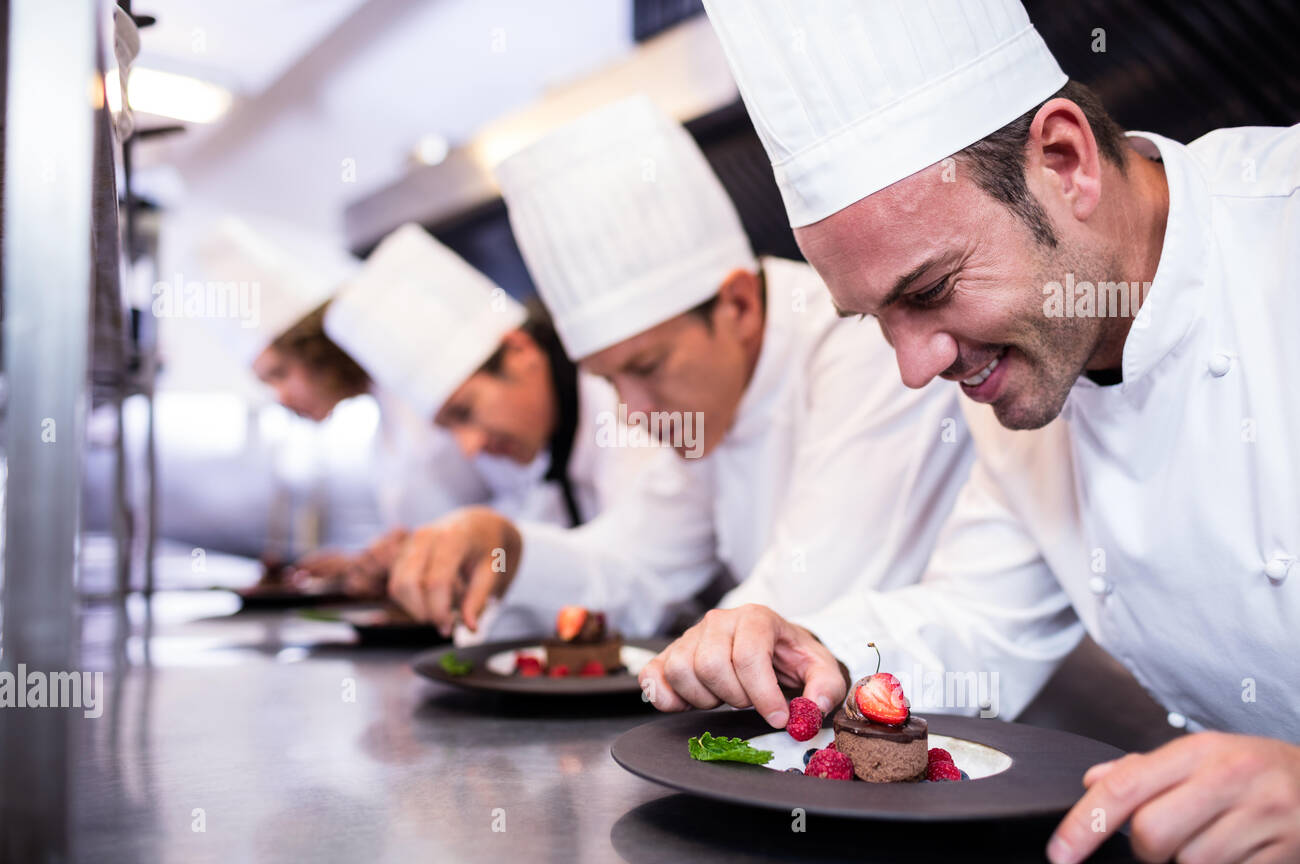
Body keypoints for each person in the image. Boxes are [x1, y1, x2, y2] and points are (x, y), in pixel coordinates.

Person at [642, 0, 1300, 864]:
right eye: (876, 317)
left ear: (1065, 161)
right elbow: (984, 620)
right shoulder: (1028, 370)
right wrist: (818, 647)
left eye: (928, 290)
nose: (915, 365)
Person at [387, 96, 971, 648]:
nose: (634, 415)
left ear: (738, 305)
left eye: (647, 367)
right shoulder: (712, 407)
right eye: (609, 381)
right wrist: (507, 548)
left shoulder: (862, 343)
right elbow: (638, 568)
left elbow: (806, 600)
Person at [326, 223, 679, 634]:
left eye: (465, 412)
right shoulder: (523, 439)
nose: (470, 446)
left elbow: (648, 583)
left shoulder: (628, 409)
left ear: (519, 350)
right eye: (448, 428)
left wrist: (509, 550)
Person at [193, 217, 492, 586]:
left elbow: (507, 513)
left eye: (281, 373)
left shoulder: (423, 390)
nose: (281, 397)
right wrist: (361, 565)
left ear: (316, 345)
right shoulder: (382, 421)